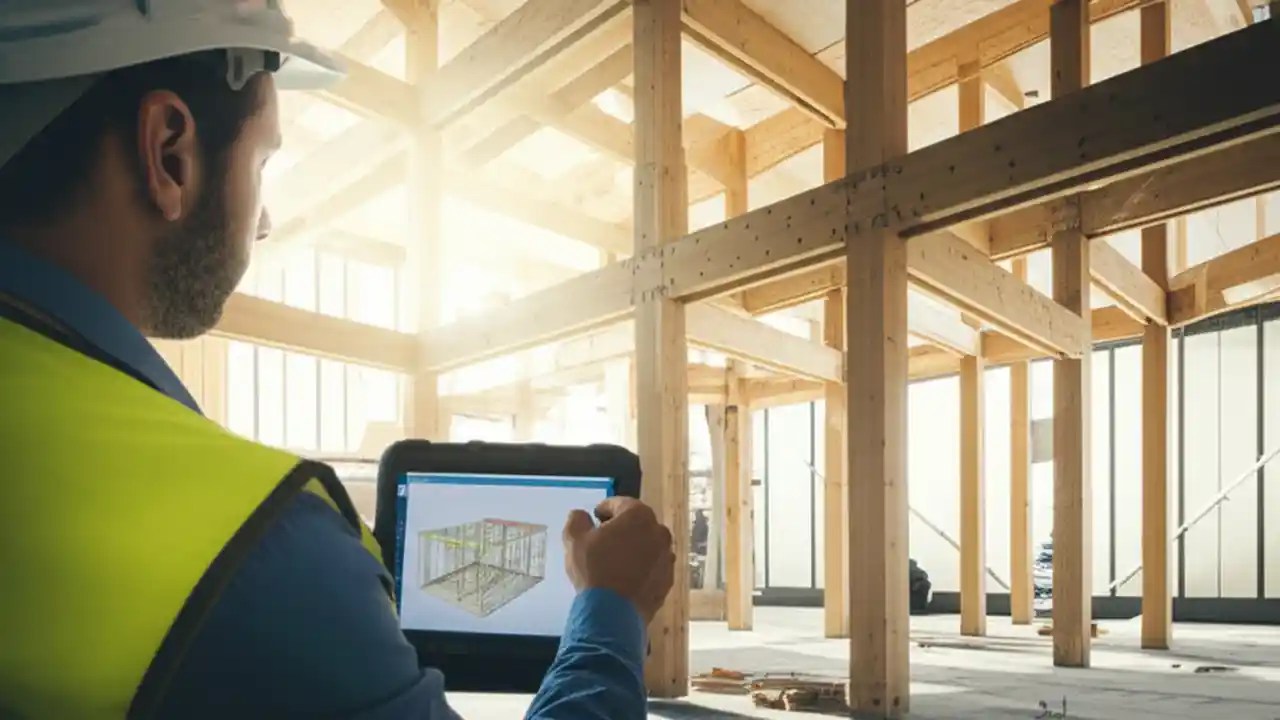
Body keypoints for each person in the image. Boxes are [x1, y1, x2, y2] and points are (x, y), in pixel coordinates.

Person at [0, 2, 675, 718]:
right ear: (170, 151)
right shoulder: (261, 548)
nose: (262, 221)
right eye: (262, 160)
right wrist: (608, 613)